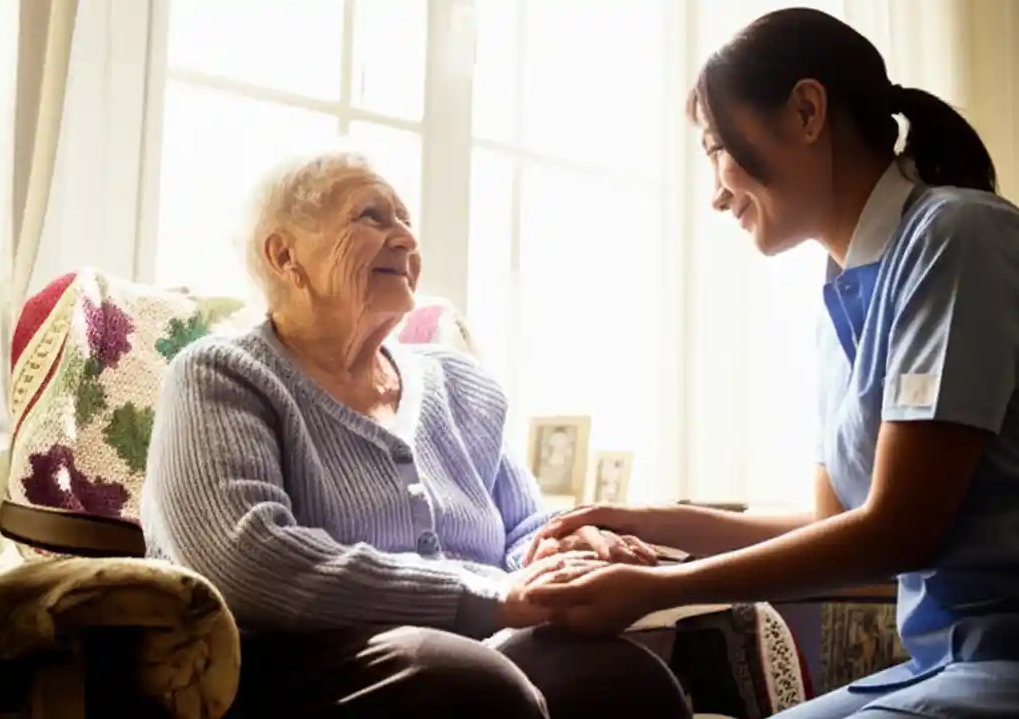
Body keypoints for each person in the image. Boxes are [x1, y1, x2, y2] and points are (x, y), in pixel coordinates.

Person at [522, 8, 1019, 717]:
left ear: (807, 111)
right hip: (950, 661)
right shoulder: (842, 297)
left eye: (717, 149)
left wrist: (661, 589)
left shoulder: (961, 237)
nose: (715, 193)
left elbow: (900, 528)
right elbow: (829, 520)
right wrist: (648, 523)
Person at [139, 151, 689, 719]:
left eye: (405, 221)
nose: (405, 239)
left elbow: (522, 527)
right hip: (299, 668)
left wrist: (562, 553)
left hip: (479, 653)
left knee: (624, 679)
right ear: (285, 255)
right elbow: (248, 562)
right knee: (466, 684)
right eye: (372, 217)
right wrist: (491, 595)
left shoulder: (460, 384)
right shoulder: (222, 375)